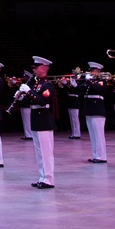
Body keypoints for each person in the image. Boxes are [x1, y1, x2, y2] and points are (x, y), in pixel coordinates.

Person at [22, 55, 57, 189]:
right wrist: (22, 96)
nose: (34, 70)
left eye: (36, 68)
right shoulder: (36, 83)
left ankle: (48, 179)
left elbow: (42, 101)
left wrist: (29, 92)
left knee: (46, 153)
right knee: (39, 153)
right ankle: (42, 177)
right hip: (36, 120)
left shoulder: (48, 85)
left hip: (44, 120)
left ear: (43, 69)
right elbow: (31, 101)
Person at [80, 61, 108, 164]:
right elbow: (81, 90)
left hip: (97, 109)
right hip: (89, 109)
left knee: (99, 134)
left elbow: (97, 89)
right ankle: (96, 155)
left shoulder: (102, 81)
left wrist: (89, 81)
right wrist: (73, 85)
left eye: (93, 71)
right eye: (91, 71)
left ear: (98, 71)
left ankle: (102, 156)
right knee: (92, 135)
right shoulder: (89, 82)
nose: (91, 72)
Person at [63, 68, 82, 140]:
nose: (73, 75)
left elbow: (77, 89)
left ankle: (77, 134)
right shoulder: (72, 81)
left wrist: (70, 84)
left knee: (75, 119)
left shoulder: (78, 82)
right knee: (72, 119)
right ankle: (74, 133)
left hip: (74, 100)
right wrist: (65, 84)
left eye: (74, 74)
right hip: (70, 101)